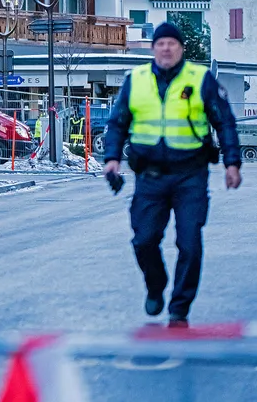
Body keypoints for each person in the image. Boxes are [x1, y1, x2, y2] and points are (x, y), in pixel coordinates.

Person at [102, 22, 241, 327]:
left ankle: (179, 307)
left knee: (190, 244)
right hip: (150, 177)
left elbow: (225, 123)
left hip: (190, 174)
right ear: (153, 49)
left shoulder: (200, 79)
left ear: (181, 48)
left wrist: (233, 163)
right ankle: (156, 285)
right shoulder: (135, 80)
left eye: (172, 44)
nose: (166, 48)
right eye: (161, 43)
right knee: (143, 241)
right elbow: (117, 123)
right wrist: (111, 158)